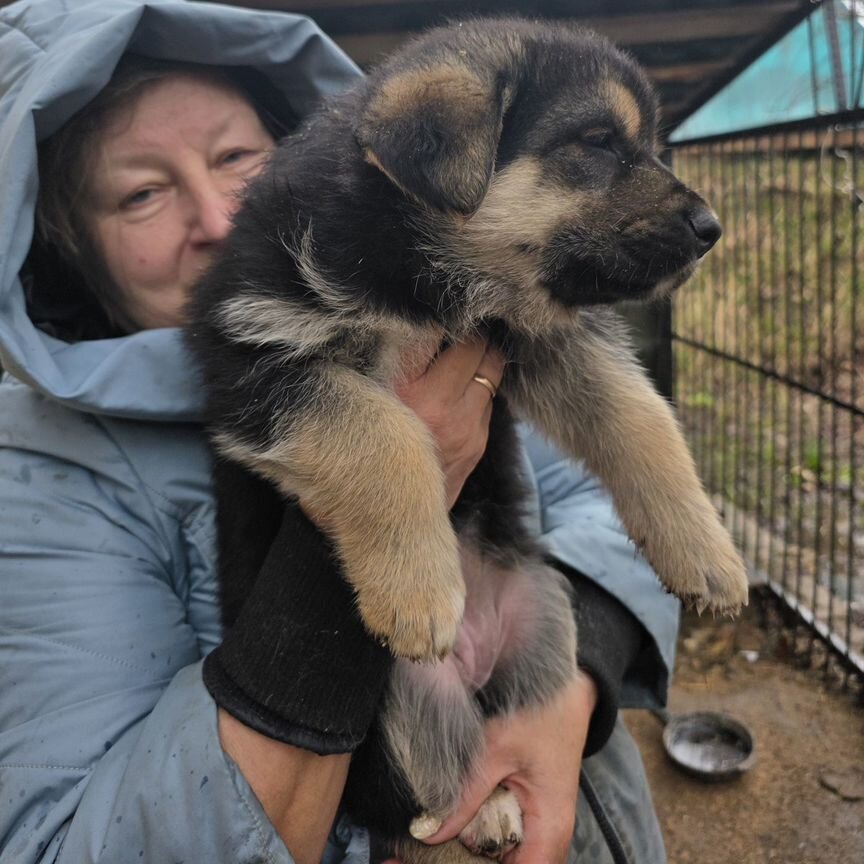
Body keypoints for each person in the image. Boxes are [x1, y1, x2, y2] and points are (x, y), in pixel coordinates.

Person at [0, 2, 679, 863]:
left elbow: (582, 491)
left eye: (239, 157)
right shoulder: (36, 472)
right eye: (142, 194)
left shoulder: (454, 301)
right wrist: (355, 516)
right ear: (68, 251)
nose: (215, 218)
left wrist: (577, 676)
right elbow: (66, 842)